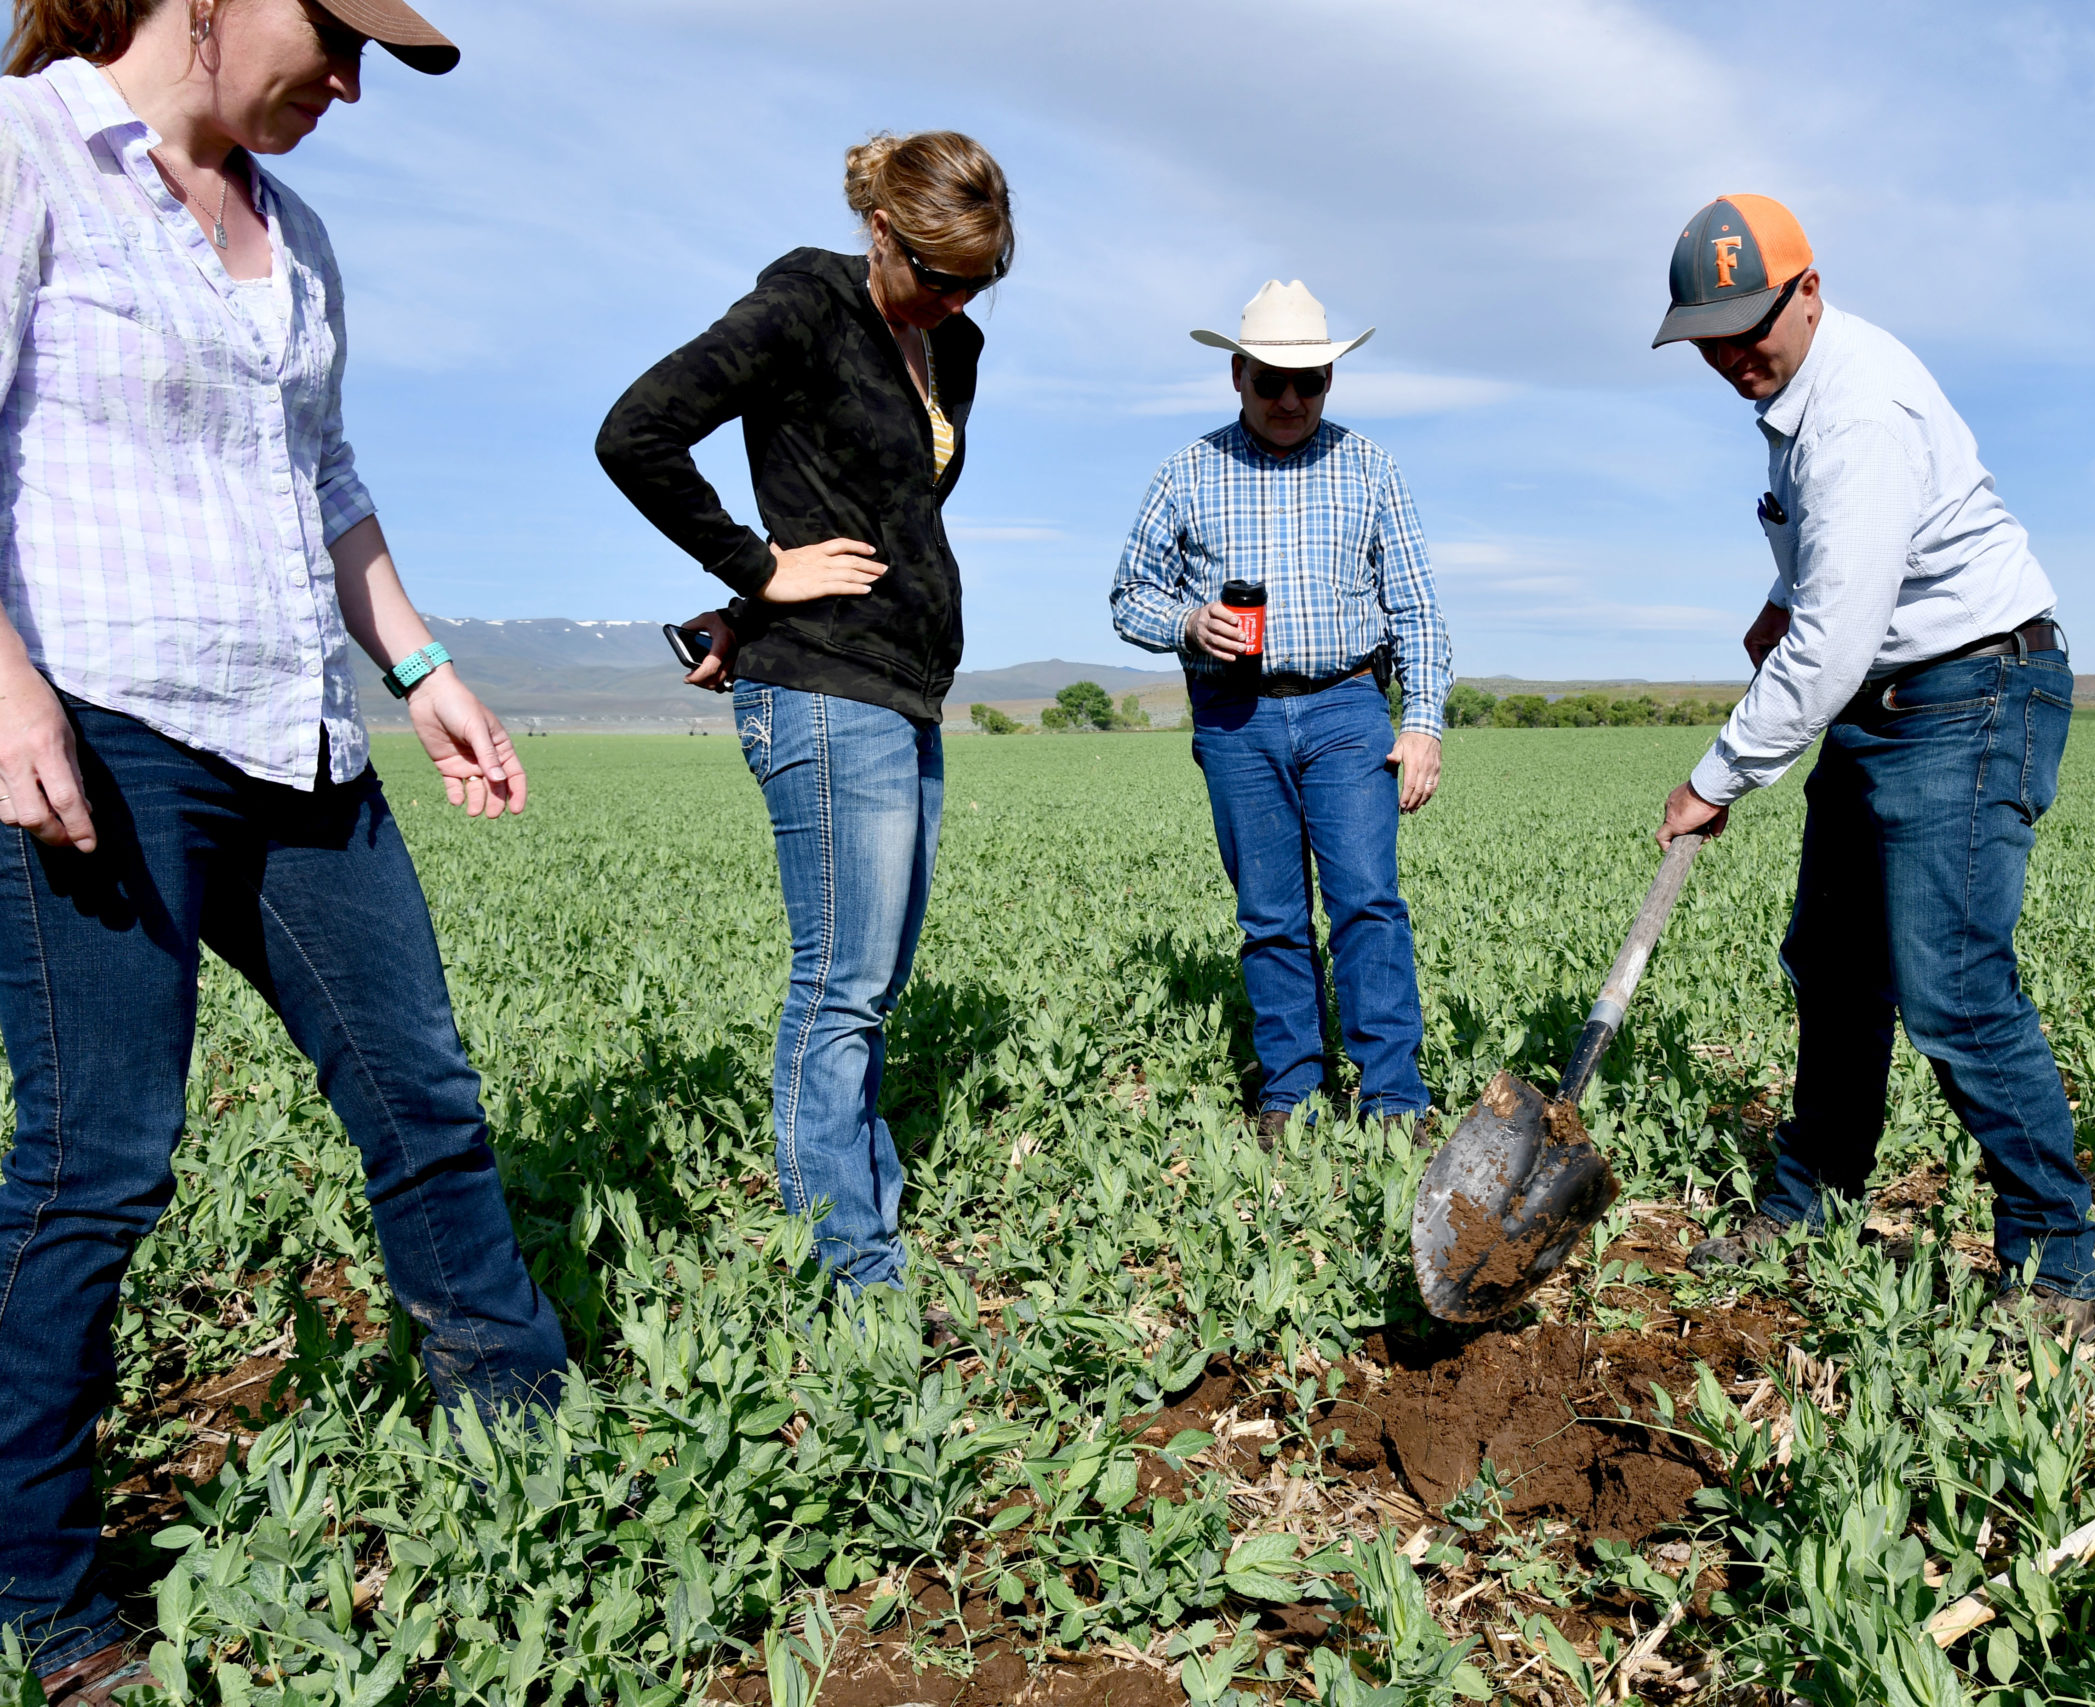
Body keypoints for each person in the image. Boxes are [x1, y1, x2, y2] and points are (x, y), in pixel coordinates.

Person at [0, 0, 569, 1693]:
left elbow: (324, 478)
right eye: (336, 34)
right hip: (101, 717)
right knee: (96, 1161)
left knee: (428, 1102)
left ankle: (532, 1455)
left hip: (298, 737)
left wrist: (423, 666)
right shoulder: (25, 151)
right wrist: (8, 691)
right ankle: (39, 1584)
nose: (351, 80)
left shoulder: (295, 231)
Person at [1649, 196, 2095, 1340]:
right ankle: (1808, 1202)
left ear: (1809, 291)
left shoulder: (1857, 411)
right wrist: (1781, 593)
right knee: (1835, 965)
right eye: (1707, 336)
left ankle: (2055, 1270)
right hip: (1888, 696)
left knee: (1951, 985)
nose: (1729, 354)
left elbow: (1835, 639)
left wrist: (1717, 776)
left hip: (1968, 693)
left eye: (1747, 324)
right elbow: (1844, 564)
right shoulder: (1794, 398)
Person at [595, 130, 1011, 1295]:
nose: (956, 297)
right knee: (839, 987)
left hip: (901, 687)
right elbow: (636, 432)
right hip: (826, 695)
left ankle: (857, 1229)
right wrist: (759, 571)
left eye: (978, 277)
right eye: (936, 272)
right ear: (880, 231)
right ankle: (849, 1275)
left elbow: (858, 508)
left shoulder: (952, 345)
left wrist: (744, 600)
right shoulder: (802, 309)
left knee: (869, 990)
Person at [1111, 281, 1452, 1141]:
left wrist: (1422, 722)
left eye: (1312, 382)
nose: (1292, 399)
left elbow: (1417, 608)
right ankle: (1291, 1094)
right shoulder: (1186, 473)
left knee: (1369, 902)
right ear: (1237, 375)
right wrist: (1187, 621)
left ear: (1332, 379)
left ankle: (1393, 1100)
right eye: (1272, 381)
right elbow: (1126, 595)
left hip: (1347, 707)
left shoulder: (1370, 467)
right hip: (1235, 717)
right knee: (1269, 915)